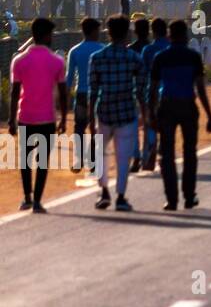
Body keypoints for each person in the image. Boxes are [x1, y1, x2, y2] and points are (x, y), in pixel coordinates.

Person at [150, 20, 211, 210]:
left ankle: (171, 199)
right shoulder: (193, 56)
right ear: (186, 36)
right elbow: (201, 88)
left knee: (167, 154)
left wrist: (151, 115)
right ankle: (189, 195)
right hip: (188, 106)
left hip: (167, 106)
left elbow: (152, 89)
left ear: (169, 36)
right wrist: (209, 115)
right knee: (189, 153)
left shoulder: (160, 57)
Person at [87, 14, 148, 211]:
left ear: (109, 33)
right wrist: (145, 114)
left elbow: (92, 90)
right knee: (124, 157)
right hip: (126, 113)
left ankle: (104, 191)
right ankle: (120, 196)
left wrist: (90, 116)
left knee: (100, 154)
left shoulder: (97, 58)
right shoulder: (134, 58)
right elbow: (140, 91)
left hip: (104, 111)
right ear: (127, 33)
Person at [8, 18, 68, 213]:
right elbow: (63, 92)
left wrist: (11, 119)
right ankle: (37, 202)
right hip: (47, 118)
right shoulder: (57, 61)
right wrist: (64, 119)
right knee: (42, 162)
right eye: (51, 34)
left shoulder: (19, 61)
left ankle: (27, 197)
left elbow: (15, 92)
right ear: (46, 35)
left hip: (25, 116)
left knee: (25, 160)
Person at [65, 16, 105, 174]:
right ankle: (93, 161)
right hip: (99, 95)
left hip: (81, 95)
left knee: (79, 127)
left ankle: (79, 158)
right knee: (97, 128)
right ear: (95, 31)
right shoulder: (103, 49)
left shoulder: (74, 51)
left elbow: (69, 78)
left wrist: (67, 96)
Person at [138, 17, 169, 173]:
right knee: (167, 126)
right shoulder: (171, 47)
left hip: (152, 91)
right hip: (169, 91)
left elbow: (142, 74)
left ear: (153, 31)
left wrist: (141, 94)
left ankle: (150, 152)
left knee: (150, 124)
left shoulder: (148, 50)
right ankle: (163, 152)